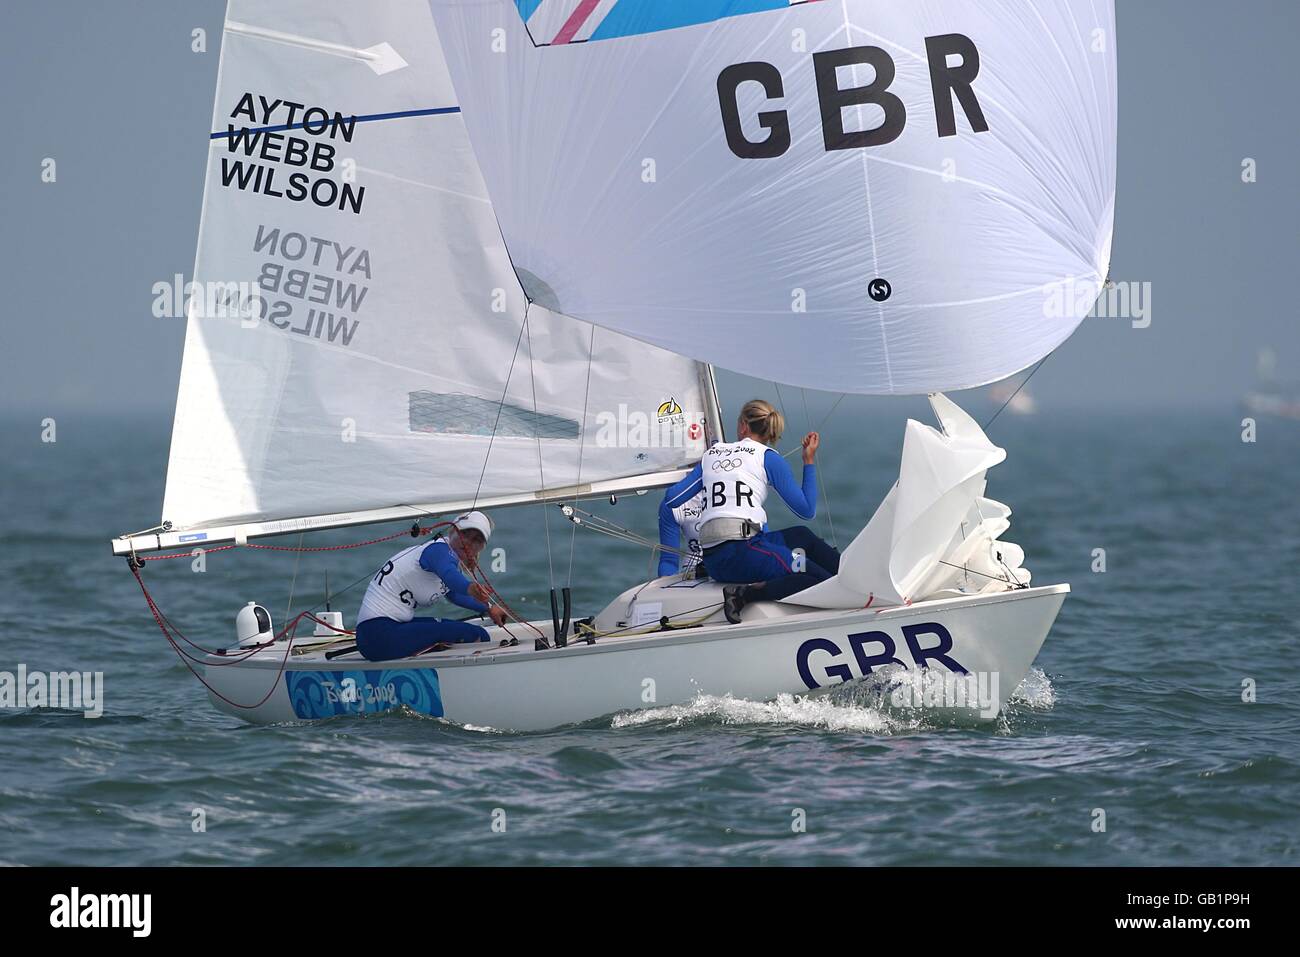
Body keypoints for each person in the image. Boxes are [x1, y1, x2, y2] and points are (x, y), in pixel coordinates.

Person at [687, 399, 841, 622]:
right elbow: (807, 510)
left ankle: (851, 576)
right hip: (740, 557)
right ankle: (743, 595)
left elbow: (672, 501)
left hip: (720, 557)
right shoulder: (767, 457)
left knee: (801, 536)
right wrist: (808, 460)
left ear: (743, 426)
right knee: (816, 578)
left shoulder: (712, 454)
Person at [354, 511, 508, 661]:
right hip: (377, 636)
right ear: (452, 531)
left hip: (388, 629)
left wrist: (488, 607)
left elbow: (454, 593)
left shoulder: (447, 556)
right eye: (465, 534)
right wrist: (470, 587)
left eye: (477, 540)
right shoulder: (438, 551)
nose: (468, 542)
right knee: (476, 635)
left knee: (464, 630)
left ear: (482, 547)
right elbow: (449, 575)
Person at [656, 473, 707, 578]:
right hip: (694, 573)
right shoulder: (673, 503)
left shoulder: (743, 492)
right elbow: (669, 560)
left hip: (732, 566)